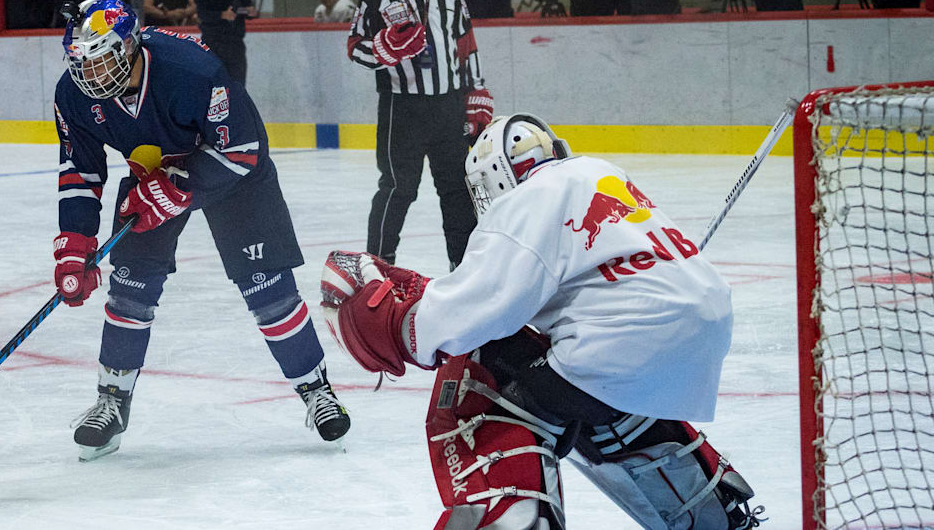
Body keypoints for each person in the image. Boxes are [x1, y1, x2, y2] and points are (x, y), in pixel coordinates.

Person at [319, 114, 765, 530]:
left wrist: (399, 325)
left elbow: (471, 316)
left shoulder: (528, 199)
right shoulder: (595, 172)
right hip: (695, 335)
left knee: (477, 384)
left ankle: (514, 520)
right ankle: (712, 510)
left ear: (494, 175)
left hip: (624, 338)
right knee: (593, 400)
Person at [52, 0, 350, 461]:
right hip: (150, 176)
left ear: (129, 46)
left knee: (268, 286)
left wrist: (181, 187)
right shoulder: (74, 95)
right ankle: (111, 400)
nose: (90, 75)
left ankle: (315, 389)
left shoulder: (193, 70)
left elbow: (243, 149)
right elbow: (79, 171)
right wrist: (74, 244)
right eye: (80, 63)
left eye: (101, 60)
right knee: (130, 287)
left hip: (228, 173)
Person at [346, 0, 493, 270]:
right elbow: (354, 47)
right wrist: (383, 49)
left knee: (458, 192)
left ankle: (465, 270)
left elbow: (466, 45)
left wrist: (476, 92)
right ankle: (378, 269)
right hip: (402, 109)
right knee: (397, 189)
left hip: (448, 107)